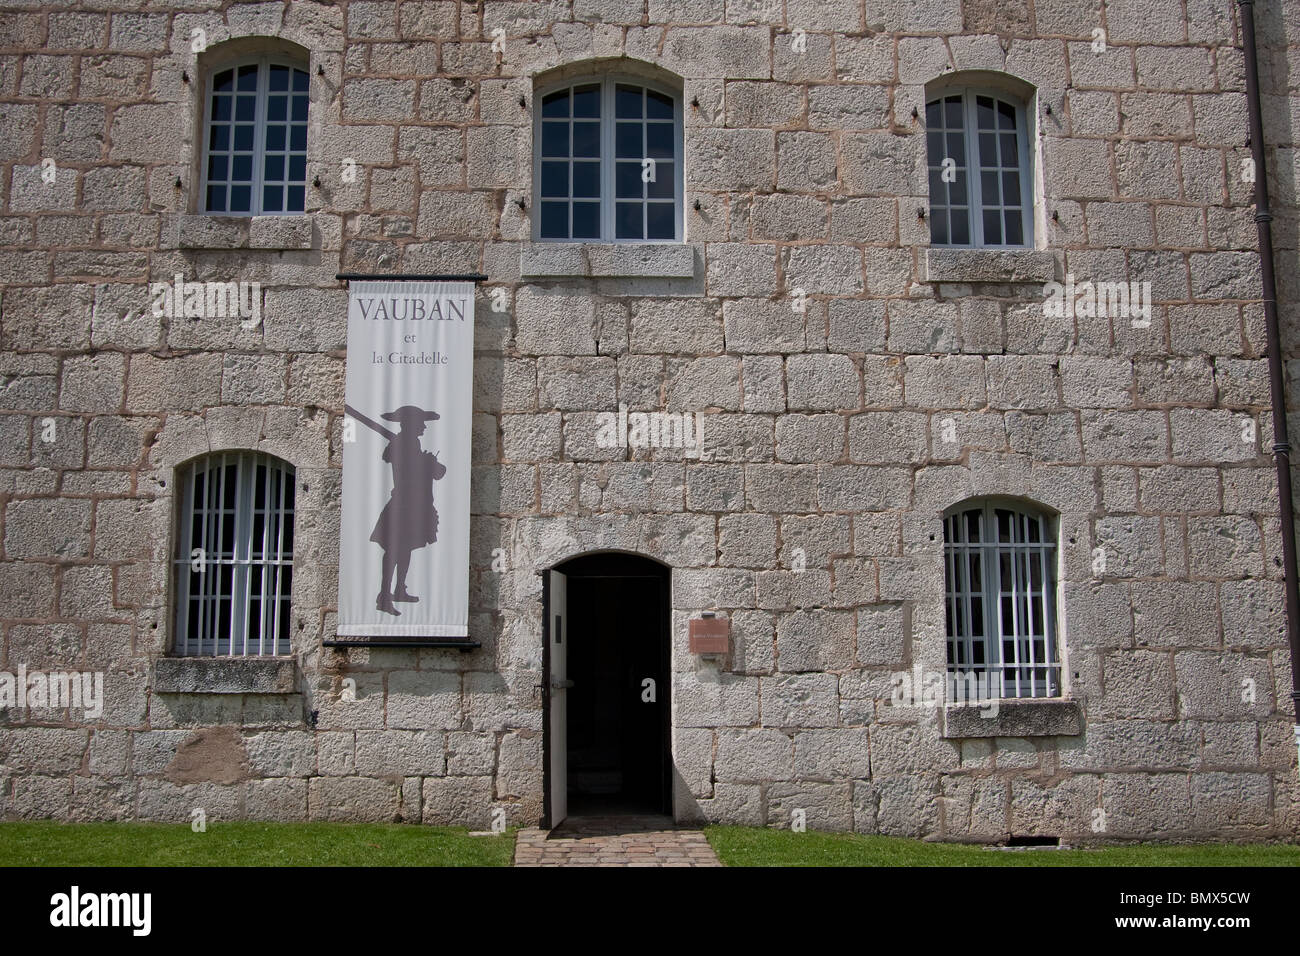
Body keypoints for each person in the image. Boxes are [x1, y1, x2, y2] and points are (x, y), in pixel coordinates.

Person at [363, 405, 446, 616]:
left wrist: (425, 460)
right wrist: (424, 462)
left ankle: (399, 589)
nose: (424, 427)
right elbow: (405, 469)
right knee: (393, 550)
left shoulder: (412, 443)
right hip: (402, 503)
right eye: (420, 423)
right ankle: (384, 595)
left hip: (415, 503)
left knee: (406, 548)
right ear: (410, 424)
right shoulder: (399, 444)